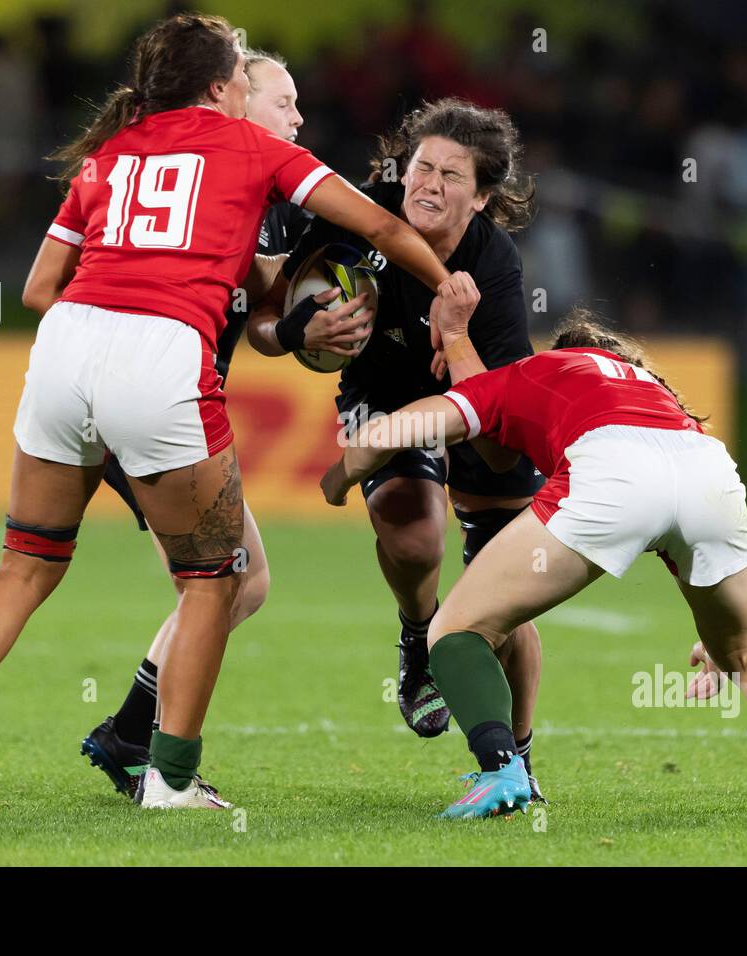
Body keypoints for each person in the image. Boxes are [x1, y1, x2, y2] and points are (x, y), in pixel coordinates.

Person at [0, 13, 457, 811]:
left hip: (68, 343)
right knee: (214, 578)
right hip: (159, 362)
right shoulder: (253, 149)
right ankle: (169, 777)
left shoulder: (113, 149)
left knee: (24, 563)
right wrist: (446, 289)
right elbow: (379, 224)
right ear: (220, 86)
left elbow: (37, 290)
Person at [320, 307, 747, 822]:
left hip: (611, 471)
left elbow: (392, 431)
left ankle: (501, 769)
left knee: (458, 628)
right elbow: (671, 514)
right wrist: (716, 636)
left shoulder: (537, 371)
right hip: (708, 468)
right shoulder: (657, 392)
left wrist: (340, 478)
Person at [248, 99, 551, 798]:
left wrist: (455, 339)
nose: (429, 183)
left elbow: (498, 418)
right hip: (379, 393)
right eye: (422, 165)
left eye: (452, 174)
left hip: (473, 403)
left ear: (481, 197)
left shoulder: (494, 268)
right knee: (415, 539)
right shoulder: (353, 216)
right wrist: (298, 336)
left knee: (504, 597)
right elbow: (261, 321)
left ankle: (519, 761)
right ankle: (419, 637)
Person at [79, 48, 322, 800]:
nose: (298, 116)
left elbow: (260, 321)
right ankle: (150, 756)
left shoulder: (248, 187)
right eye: (284, 101)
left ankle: (127, 735)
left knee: (231, 583)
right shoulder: (214, 179)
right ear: (239, 102)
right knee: (224, 582)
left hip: (133, 399)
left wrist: (305, 326)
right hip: (144, 403)